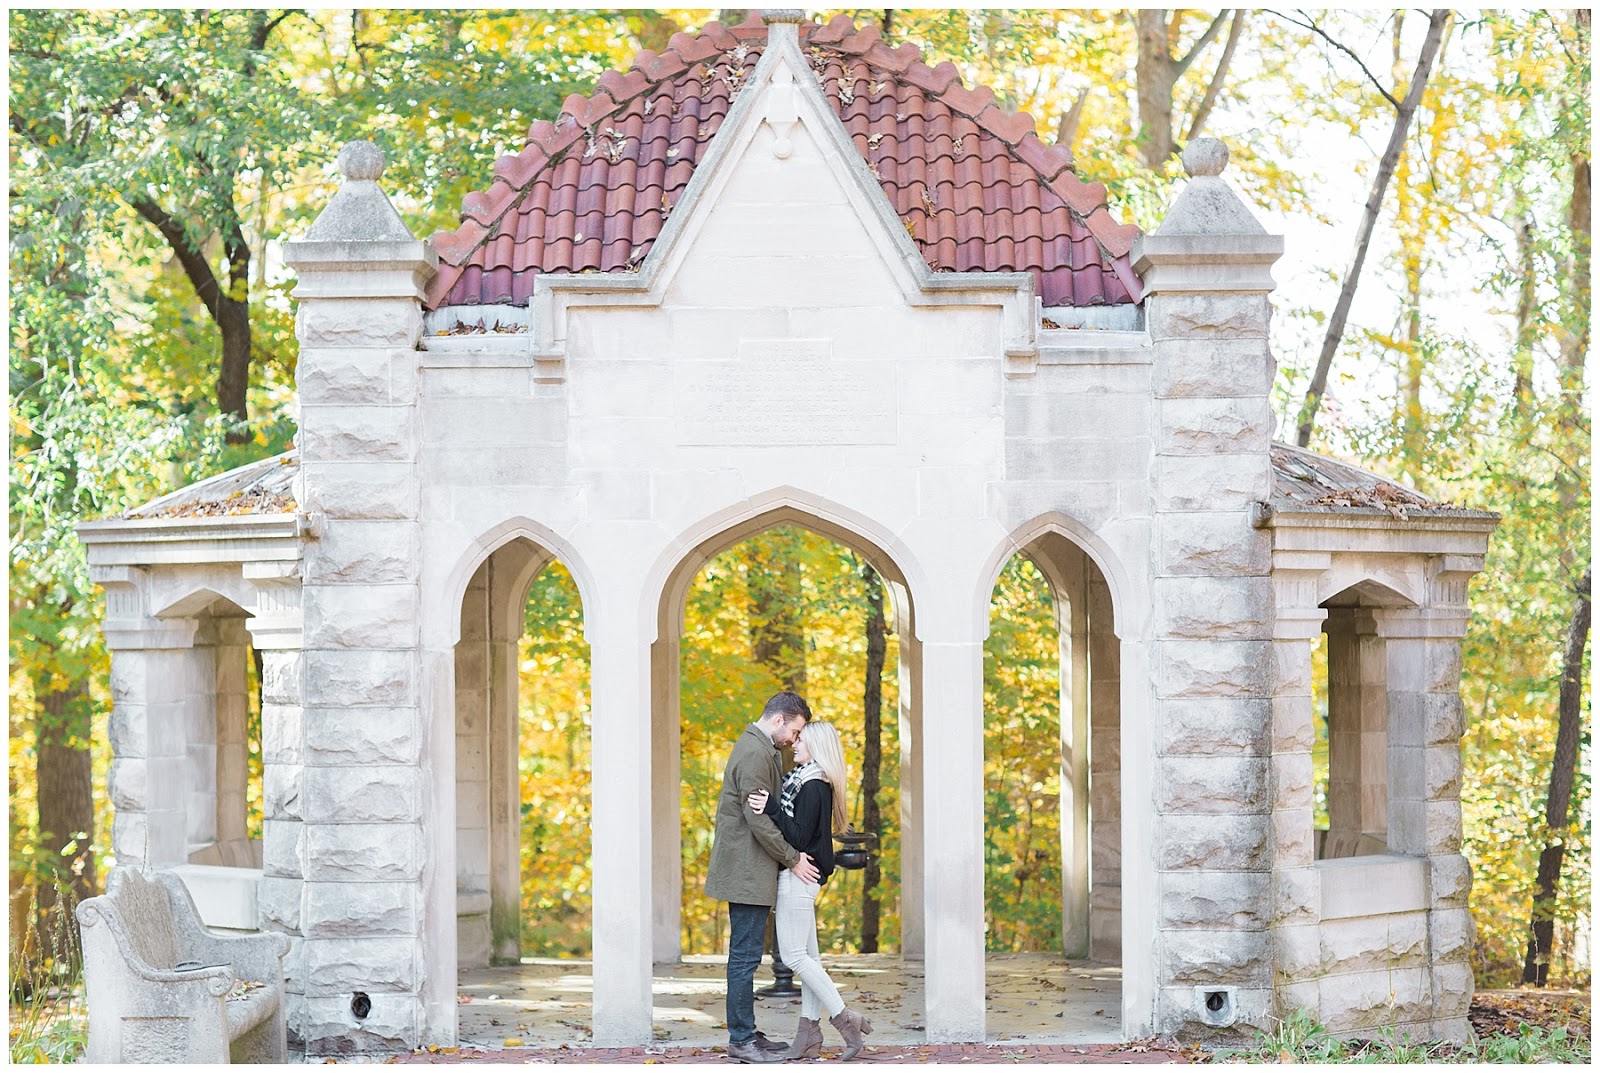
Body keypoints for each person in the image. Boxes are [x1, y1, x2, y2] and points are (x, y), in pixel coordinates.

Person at [747, 721, 873, 1061]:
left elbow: (800, 838)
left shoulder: (814, 785)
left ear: (816, 745)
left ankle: (845, 1019)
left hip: (800, 877)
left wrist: (772, 808)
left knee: (793, 957)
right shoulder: (806, 781)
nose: (794, 743)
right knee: (810, 958)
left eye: (801, 739)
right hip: (802, 876)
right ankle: (807, 1033)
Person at [705, 690, 819, 1064]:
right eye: (795, 730)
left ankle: (747, 1031)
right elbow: (758, 821)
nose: (794, 739)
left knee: (747, 954)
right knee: (745, 957)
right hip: (746, 869)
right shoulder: (755, 752)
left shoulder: (763, 748)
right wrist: (793, 859)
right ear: (778, 720)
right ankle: (741, 1039)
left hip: (752, 868)